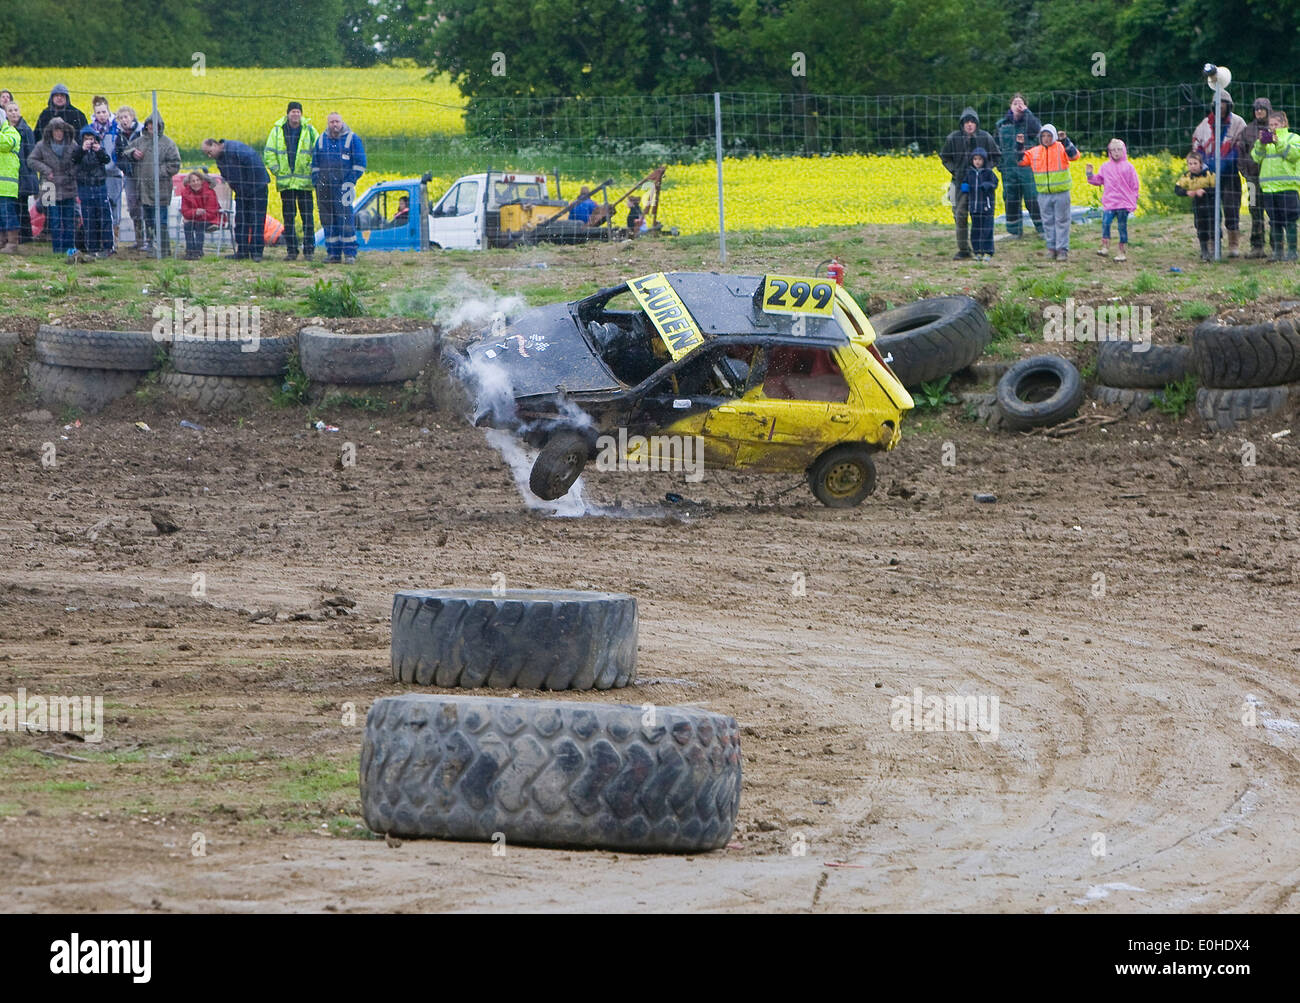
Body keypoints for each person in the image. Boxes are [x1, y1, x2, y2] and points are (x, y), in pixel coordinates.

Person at [939, 107, 1000, 259]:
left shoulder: (985, 137)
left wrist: (985, 171)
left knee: (981, 217)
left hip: (981, 185)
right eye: (966, 122)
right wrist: (955, 171)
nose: (969, 124)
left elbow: (997, 156)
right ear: (962, 124)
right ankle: (964, 249)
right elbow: (944, 157)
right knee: (959, 215)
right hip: (959, 183)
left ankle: (982, 248)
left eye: (972, 121)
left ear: (977, 123)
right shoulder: (953, 138)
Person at [1192, 92, 1247, 257]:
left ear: (1229, 104)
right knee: (1210, 211)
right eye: (1217, 103)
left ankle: (1233, 244)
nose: (1220, 106)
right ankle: (1213, 243)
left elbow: (1241, 146)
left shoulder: (1238, 123)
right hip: (1208, 175)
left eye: (1223, 103)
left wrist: (1226, 161)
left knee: (1231, 208)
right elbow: (1197, 146)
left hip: (1230, 174)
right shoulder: (1204, 125)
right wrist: (1206, 163)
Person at [264, 101, 318, 260]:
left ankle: (309, 251)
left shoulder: (310, 130)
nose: (295, 114)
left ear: (301, 114)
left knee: (308, 218)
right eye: (293, 111)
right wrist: (277, 171)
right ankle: (291, 251)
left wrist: (310, 169)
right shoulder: (277, 130)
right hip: (286, 183)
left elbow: (317, 152)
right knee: (289, 218)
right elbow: (269, 152)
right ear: (287, 113)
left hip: (305, 184)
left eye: (298, 112)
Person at [203, 137, 271, 261]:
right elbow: (228, 177)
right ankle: (242, 251)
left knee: (257, 220)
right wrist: (238, 189)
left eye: (209, 152)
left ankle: (256, 253)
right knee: (241, 221)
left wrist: (248, 188)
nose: (209, 156)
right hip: (241, 191)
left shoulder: (237, 149)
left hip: (257, 187)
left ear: (214, 144)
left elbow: (254, 166)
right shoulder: (220, 159)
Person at [311, 112, 366, 263]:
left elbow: (360, 164)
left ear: (342, 122)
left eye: (337, 122)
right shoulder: (321, 140)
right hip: (324, 189)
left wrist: (349, 181)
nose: (335, 125)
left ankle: (349, 254)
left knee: (346, 220)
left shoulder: (352, 139)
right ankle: (333, 254)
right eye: (331, 122)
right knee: (328, 221)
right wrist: (317, 182)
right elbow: (315, 164)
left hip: (344, 188)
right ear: (328, 123)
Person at [1019, 124, 1078, 261]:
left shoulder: (1061, 147)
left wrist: (1066, 141)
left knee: (1062, 221)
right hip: (1043, 193)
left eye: (1049, 135)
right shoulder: (1035, 151)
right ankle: (1051, 248)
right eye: (1043, 136)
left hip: (1061, 192)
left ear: (1054, 136)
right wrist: (1019, 145)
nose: (1046, 138)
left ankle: (1062, 249)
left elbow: (1074, 156)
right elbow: (1020, 160)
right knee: (1048, 222)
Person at [125, 112, 181, 257]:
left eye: (155, 125)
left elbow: (175, 164)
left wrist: (159, 172)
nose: (152, 127)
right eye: (149, 124)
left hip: (160, 189)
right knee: (148, 220)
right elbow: (125, 151)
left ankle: (163, 248)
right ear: (146, 125)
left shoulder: (168, 144)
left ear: (160, 126)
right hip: (143, 189)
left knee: (160, 221)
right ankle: (151, 246)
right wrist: (132, 153)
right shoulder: (140, 141)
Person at [1251, 110, 1300, 262]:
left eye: (1276, 124)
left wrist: (1278, 142)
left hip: (1287, 186)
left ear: (1284, 123)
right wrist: (1260, 144)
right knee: (1274, 220)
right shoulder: (1265, 141)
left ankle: (1292, 251)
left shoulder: (1294, 138)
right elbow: (1256, 158)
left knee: (1290, 219)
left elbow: (1293, 155)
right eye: (1270, 125)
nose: (1272, 127)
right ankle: (1278, 252)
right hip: (1268, 187)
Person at [995, 94, 1044, 238]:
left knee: (1032, 197)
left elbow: (1039, 133)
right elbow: (996, 145)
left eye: (1021, 103)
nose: (1018, 105)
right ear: (1010, 106)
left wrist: (1027, 113)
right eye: (1015, 103)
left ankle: (1042, 229)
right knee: (1011, 199)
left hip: (1027, 168)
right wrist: (1000, 165)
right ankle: (1014, 231)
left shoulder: (1029, 121)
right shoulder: (1001, 124)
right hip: (1008, 169)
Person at [27, 117, 78, 255]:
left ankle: (69, 250)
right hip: (49, 188)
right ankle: (57, 250)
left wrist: (70, 173)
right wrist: (46, 170)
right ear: (50, 131)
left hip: (69, 187)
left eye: (61, 130)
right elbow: (31, 160)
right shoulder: (41, 145)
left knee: (69, 221)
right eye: (56, 130)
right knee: (54, 221)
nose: (58, 133)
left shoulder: (72, 145)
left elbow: (78, 162)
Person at [1085, 138, 1140, 262]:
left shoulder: (1129, 167)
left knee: (1122, 227)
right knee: (1105, 223)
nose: (1116, 152)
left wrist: (1134, 199)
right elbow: (1098, 180)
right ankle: (1105, 246)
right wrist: (1089, 175)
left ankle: (1122, 251)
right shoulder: (1105, 166)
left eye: (1119, 149)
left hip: (1124, 202)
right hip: (1110, 202)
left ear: (1124, 150)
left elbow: (1134, 185)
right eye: (1113, 150)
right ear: (1109, 151)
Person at [1237, 98, 1274, 259]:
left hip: (1272, 179)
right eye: (1256, 108)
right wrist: (1245, 172)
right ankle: (1257, 247)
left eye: (1262, 108)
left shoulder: (1275, 128)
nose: (1258, 111)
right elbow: (1240, 153)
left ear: (1268, 110)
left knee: (1274, 211)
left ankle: (1276, 246)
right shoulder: (1247, 130)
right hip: (1252, 178)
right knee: (1254, 211)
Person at [87, 97, 123, 251]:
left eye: (104, 111)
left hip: (113, 173)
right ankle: (102, 240)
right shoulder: (90, 130)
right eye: (98, 112)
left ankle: (114, 240)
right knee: (100, 207)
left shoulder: (117, 129)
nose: (102, 115)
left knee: (114, 205)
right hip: (96, 174)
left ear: (109, 111)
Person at [72, 125, 112, 257]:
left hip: (99, 186)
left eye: (91, 138)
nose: (89, 141)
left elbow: (107, 159)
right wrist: (83, 150)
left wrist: (99, 151)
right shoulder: (78, 150)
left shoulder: (99, 149)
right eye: (86, 138)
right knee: (89, 218)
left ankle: (107, 247)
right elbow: (73, 160)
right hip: (84, 187)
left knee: (104, 217)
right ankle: (92, 247)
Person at [1175, 150, 1218, 262]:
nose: (1193, 166)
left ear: (1200, 164)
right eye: (1190, 164)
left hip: (1211, 205)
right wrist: (1187, 192)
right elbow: (1177, 189)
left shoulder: (1209, 174)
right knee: (1200, 227)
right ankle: (1204, 251)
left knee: (1213, 227)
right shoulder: (1187, 177)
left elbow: (1216, 189)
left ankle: (1215, 250)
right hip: (1198, 206)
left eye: (1195, 163)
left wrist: (1204, 190)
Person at [5, 102, 37, 244]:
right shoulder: (5, 130)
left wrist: (28, 173)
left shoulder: (26, 129)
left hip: (23, 173)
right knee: (12, 207)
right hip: (10, 174)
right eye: (10, 110)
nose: (13, 113)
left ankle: (26, 237)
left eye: (15, 110)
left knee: (23, 207)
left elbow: (31, 152)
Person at [114, 106, 145, 250]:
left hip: (144, 174)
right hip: (129, 175)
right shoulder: (119, 136)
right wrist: (125, 168)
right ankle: (139, 240)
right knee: (133, 206)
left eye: (126, 117)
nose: (124, 120)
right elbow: (118, 156)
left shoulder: (142, 132)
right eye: (121, 118)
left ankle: (150, 240)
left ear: (132, 117)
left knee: (146, 204)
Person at [961, 147, 999, 261]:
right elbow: (964, 182)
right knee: (975, 230)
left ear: (984, 160)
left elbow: (995, 183)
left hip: (987, 207)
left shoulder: (989, 172)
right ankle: (977, 251)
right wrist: (964, 187)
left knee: (987, 229)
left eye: (980, 159)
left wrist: (987, 185)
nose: (977, 162)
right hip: (974, 207)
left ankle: (988, 252)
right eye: (975, 159)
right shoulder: (970, 173)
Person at [180, 170, 220, 260]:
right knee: (187, 225)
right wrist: (195, 212)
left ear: (202, 181)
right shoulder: (185, 193)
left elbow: (212, 212)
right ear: (189, 183)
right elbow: (185, 210)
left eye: (198, 180)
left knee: (199, 225)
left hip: (211, 219)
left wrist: (194, 216)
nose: (196, 183)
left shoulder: (209, 192)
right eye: (193, 181)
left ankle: (198, 252)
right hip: (194, 219)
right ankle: (190, 252)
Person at [0, 107, 20, 253]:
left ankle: (12, 243)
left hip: (7, 185)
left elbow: (6, 144)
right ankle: (2, 241)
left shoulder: (11, 132)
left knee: (8, 213)